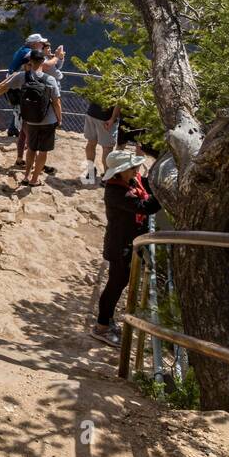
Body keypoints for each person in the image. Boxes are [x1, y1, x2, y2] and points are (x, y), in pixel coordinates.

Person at [91, 150, 160, 345]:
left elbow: (145, 185)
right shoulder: (115, 192)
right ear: (120, 171)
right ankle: (101, 327)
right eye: (132, 167)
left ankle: (106, 321)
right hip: (120, 245)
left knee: (119, 283)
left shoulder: (130, 182)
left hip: (127, 243)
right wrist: (163, 193)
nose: (136, 170)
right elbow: (146, 207)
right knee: (115, 284)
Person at [0, 51, 63, 186]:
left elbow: (3, 87)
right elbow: (56, 102)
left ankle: (26, 176)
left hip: (29, 119)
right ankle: (34, 179)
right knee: (43, 151)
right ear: (43, 61)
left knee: (31, 148)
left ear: (30, 61)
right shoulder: (50, 79)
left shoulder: (21, 76)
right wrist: (59, 119)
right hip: (48, 120)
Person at [82, 98, 119, 184]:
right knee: (107, 148)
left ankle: (90, 171)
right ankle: (107, 177)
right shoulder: (119, 83)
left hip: (91, 113)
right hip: (106, 117)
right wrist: (112, 119)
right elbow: (119, 102)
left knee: (91, 143)